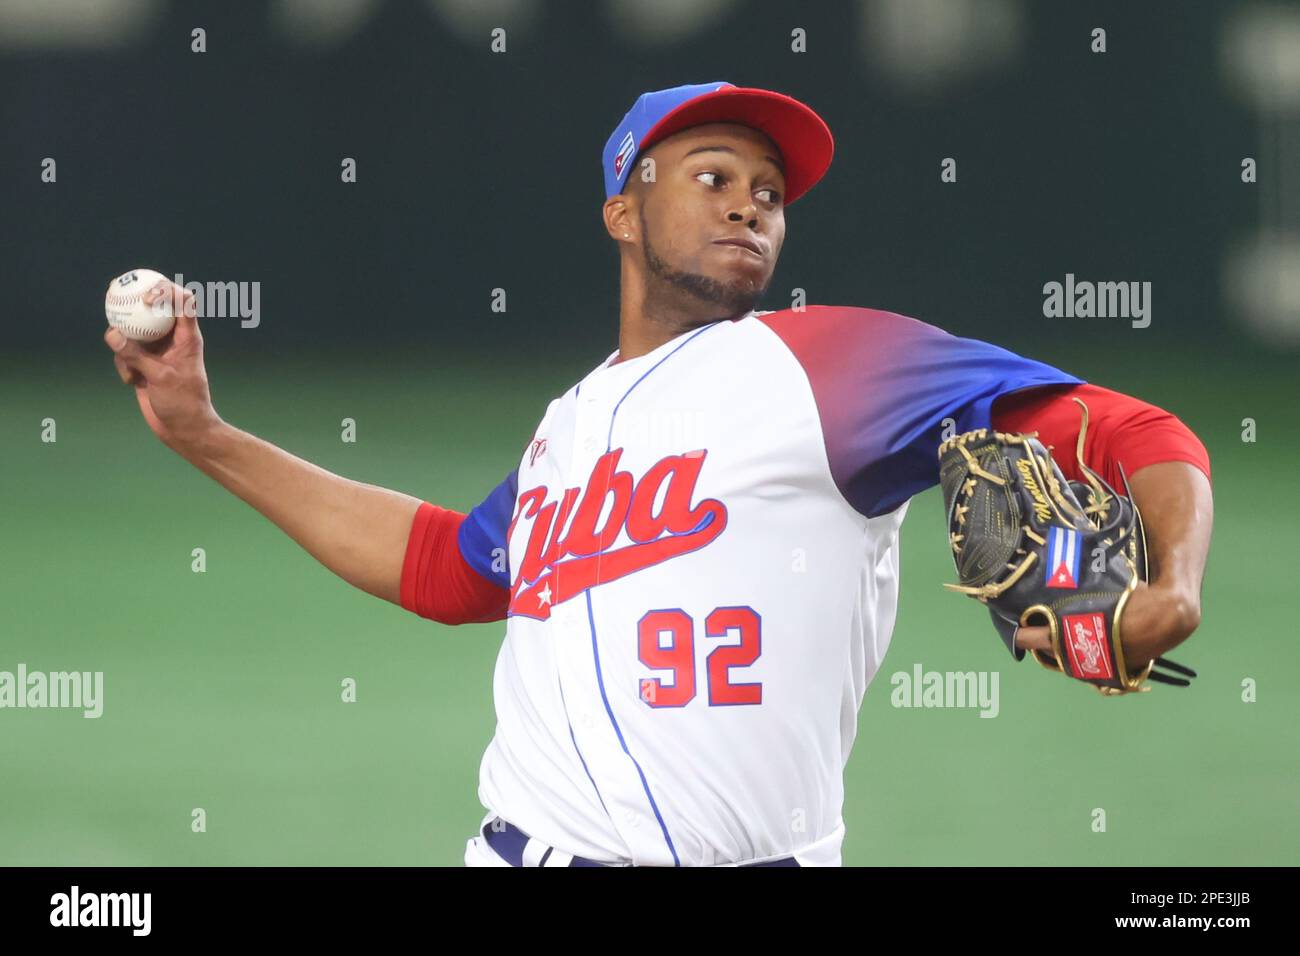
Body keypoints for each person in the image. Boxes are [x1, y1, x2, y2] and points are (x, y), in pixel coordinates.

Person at [104, 82, 1213, 867]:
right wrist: (206, 434)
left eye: (768, 190)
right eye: (713, 175)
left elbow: (1137, 429)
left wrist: (1172, 583)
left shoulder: (831, 359)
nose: (749, 203)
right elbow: (447, 569)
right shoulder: (566, 425)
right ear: (621, 212)